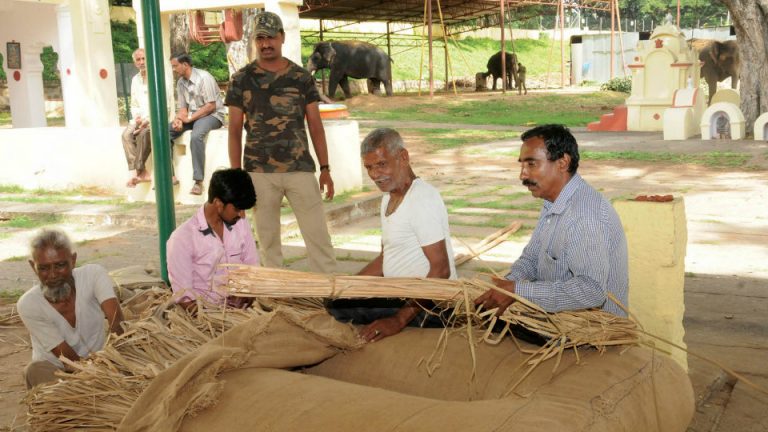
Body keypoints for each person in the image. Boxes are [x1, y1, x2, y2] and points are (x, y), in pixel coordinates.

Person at [475, 124, 628, 318]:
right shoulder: (553, 202)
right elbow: (531, 260)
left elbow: (591, 291)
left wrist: (517, 291)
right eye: (522, 165)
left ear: (563, 162)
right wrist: (507, 285)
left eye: (531, 164)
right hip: (556, 323)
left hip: (590, 333)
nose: (522, 175)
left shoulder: (585, 215)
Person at [226, 11, 336, 274]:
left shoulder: (301, 78)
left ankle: (332, 296)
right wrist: (237, 177)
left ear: (282, 37)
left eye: (271, 37)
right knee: (268, 242)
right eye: (260, 38)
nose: (265, 44)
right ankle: (276, 299)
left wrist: (325, 168)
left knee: (318, 237)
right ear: (254, 41)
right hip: (259, 173)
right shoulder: (241, 79)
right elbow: (233, 130)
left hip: (300, 169)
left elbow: (316, 126)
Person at [328, 128, 456, 342]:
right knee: (336, 300)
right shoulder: (389, 198)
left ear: (403, 157)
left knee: (337, 309)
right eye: (369, 167)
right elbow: (386, 257)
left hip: (430, 306)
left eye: (381, 164)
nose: (375, 175)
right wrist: (346, 285)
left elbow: (441, 270)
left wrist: (398, 320)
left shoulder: (421, 199)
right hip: (397, 293)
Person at [17, 229, 124, 389]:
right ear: (33, 266)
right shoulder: (29, 304)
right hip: (59, 371)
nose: (53, 275)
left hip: (102, 363)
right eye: (44, 268)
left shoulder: (93, 275)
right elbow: (66, 357)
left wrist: (114, 359)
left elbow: (117, 321)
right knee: (34, 371)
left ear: (73, 260)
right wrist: (96, 378)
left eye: (60, 265)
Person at [166, 168, 259, 311]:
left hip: (241, 313)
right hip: (205, 318)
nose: (242, 214)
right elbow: (184, 299)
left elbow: (252, 267)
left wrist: (247, 294)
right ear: (218, 203)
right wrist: (217, 321)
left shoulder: (240, 223)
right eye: (237, 209)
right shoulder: (182, 239)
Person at [169, 53, 226, 196]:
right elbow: (183, 108)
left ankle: (198, 181)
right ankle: (170, 176)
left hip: (213, 115)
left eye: (175, 66)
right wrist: (178, 119)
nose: (174, 69)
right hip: (192, 117)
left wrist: (188, 119)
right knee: (164, 133)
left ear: (185, 65)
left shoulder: (204, 78)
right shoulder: (181, 83)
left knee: (196, 136)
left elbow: (211, 106)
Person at [122, 48, 152, 187]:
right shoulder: (135, 80)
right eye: (138, 60)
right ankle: (141, 171)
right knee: (126, 135)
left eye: (143, 59)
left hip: (154, 120)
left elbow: (165, 104)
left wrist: (147, 121)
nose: (141, 62)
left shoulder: (157, 77)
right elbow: (134, 103)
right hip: (140, 119)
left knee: (143, 134)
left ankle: (139, 173)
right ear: (135, 63)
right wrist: (138, 118)